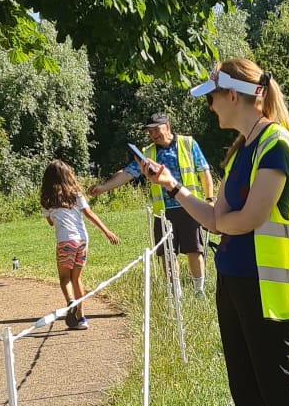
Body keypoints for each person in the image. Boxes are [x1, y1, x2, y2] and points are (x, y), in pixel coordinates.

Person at [146, 59, 289, 406]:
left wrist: (220, 220)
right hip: (236, 278)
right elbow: (215, 215)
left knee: (280, 381)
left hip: (268, 283)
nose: (209, 107)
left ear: (239, 96)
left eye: (213, 97)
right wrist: (174, 188)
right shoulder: (242, 147)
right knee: (244, 380)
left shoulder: (275, 145)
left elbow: (245, 218)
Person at [90, 114, 214, 295]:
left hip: (190, 206)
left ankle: (199, 290)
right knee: (167, 253)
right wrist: (103, 188)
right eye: (150, 132)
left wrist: (209, 199)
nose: (153, 134)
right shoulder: (146, 153)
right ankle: (175, 292)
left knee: (194, 249)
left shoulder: (188, 143)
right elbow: (127, 173)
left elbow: (204, 172)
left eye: (156, 129)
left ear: (167, 127)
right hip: (163, 211)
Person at [40, 159, 119, 332]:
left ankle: (70, 302)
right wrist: (107, 232)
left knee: (64, 279)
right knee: (77, 278)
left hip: (64, 241)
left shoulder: (47, 199)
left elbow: (50, 223)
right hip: (82, 241)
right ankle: (81, 317)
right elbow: (89, 213)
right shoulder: (76, 194)